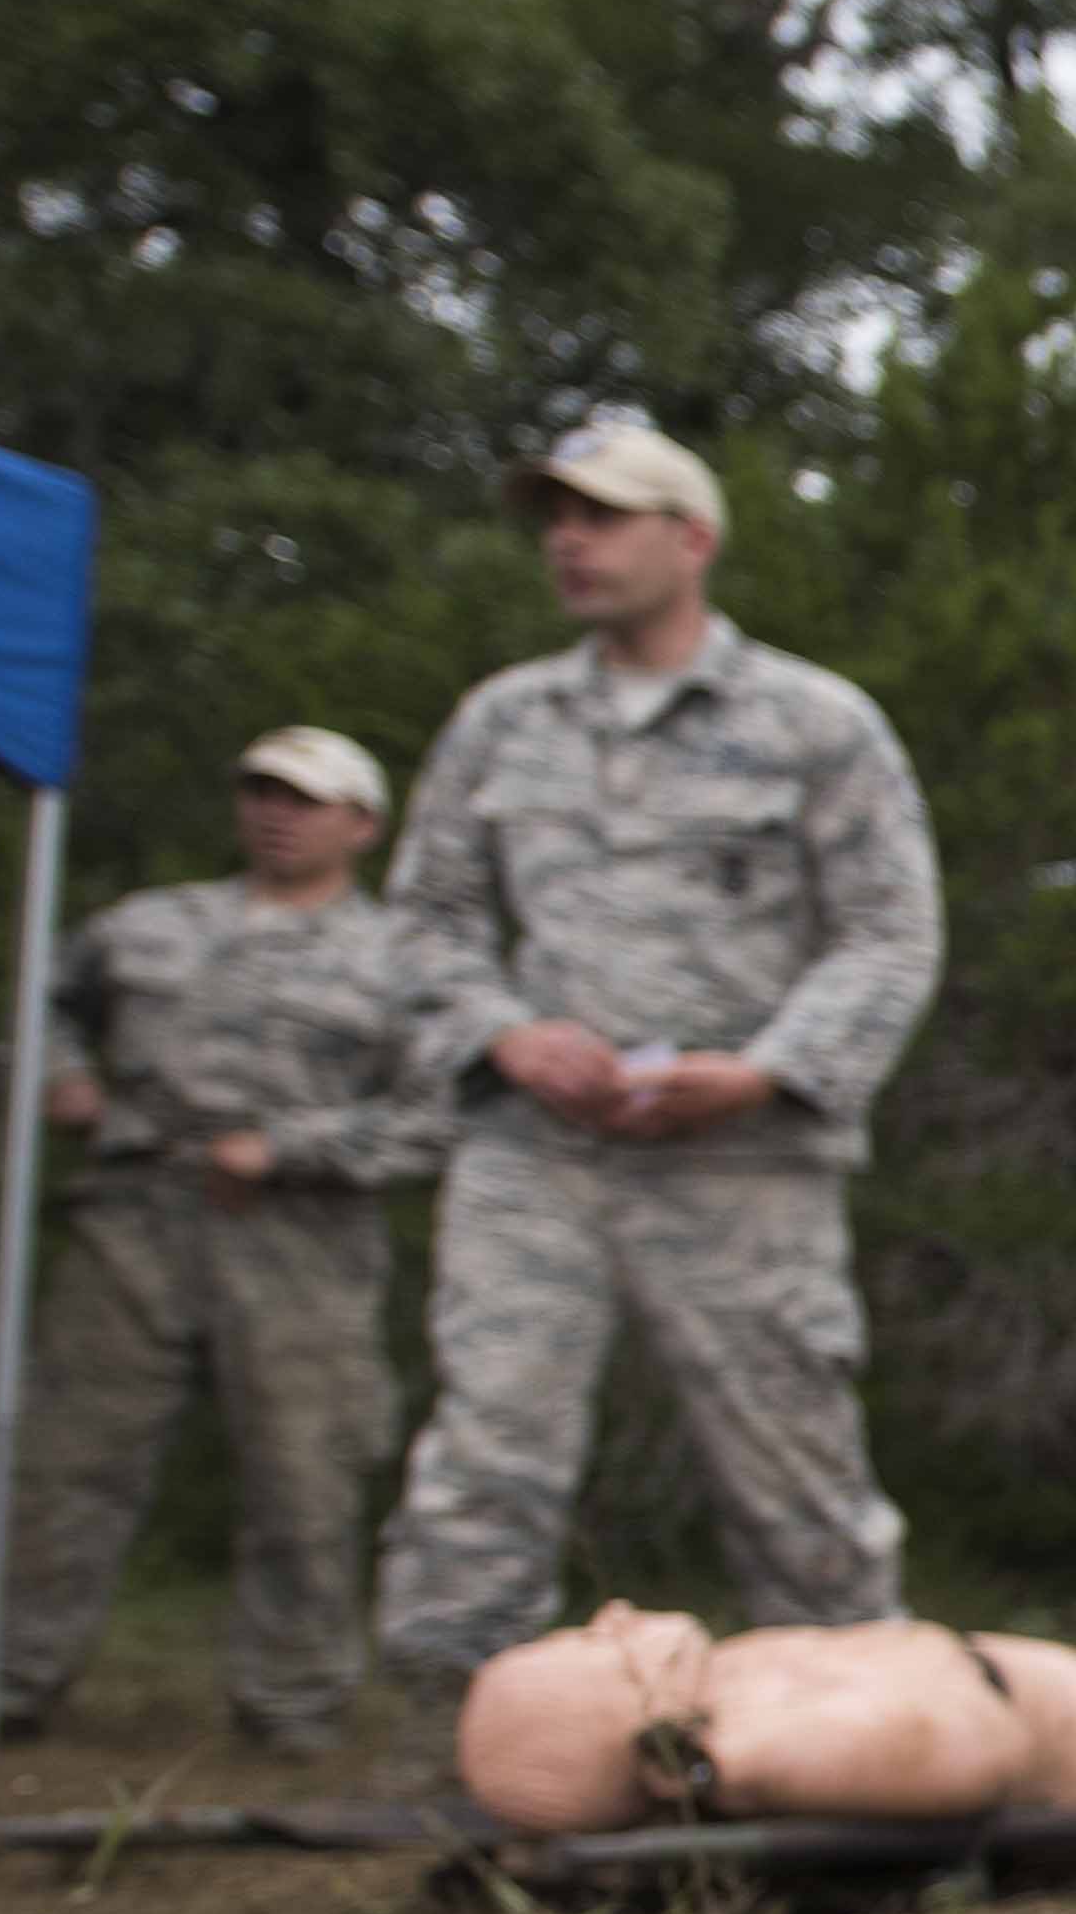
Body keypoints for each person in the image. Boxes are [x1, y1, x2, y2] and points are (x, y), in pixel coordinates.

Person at [374, 415, 947, 1705]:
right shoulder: (503, 721)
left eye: (602, 516)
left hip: (741, 1161)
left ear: (692, 540)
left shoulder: (816, 723)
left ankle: (864, 1764)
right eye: (555, 520)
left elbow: (890, 933)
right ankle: (459, 1774)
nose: (569, 543)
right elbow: (424, 922)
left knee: (795, 1473)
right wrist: (507, 1036)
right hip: (536, 1156)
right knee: (484, 1463)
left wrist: (764, 1070)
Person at [0, 728, 467, 1750]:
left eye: (304, 798)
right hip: (135, 1218)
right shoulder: (147, 926)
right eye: (260, 791)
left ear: (362, 826)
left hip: (301, 1240)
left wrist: (292, 1145)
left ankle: (293, 1705)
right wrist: (56, 1075)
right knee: (70, 1460)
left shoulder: (404, 960)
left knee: (306, 1471)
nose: (276, 812)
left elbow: (441, 1114)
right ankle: (6, 1679)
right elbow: (35, 1004)